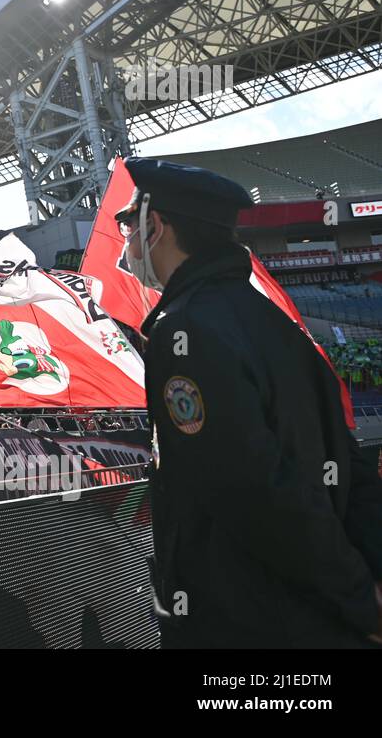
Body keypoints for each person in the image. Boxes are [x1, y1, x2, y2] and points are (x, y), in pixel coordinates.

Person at [117, 156, 382, 648]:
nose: (124, 239)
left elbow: (254, 490)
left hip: (244, 625)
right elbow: (347, 464)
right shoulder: (277, 324)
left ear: (155, 225)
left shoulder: (183, 331)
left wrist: (361, 599)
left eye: (126, 223)